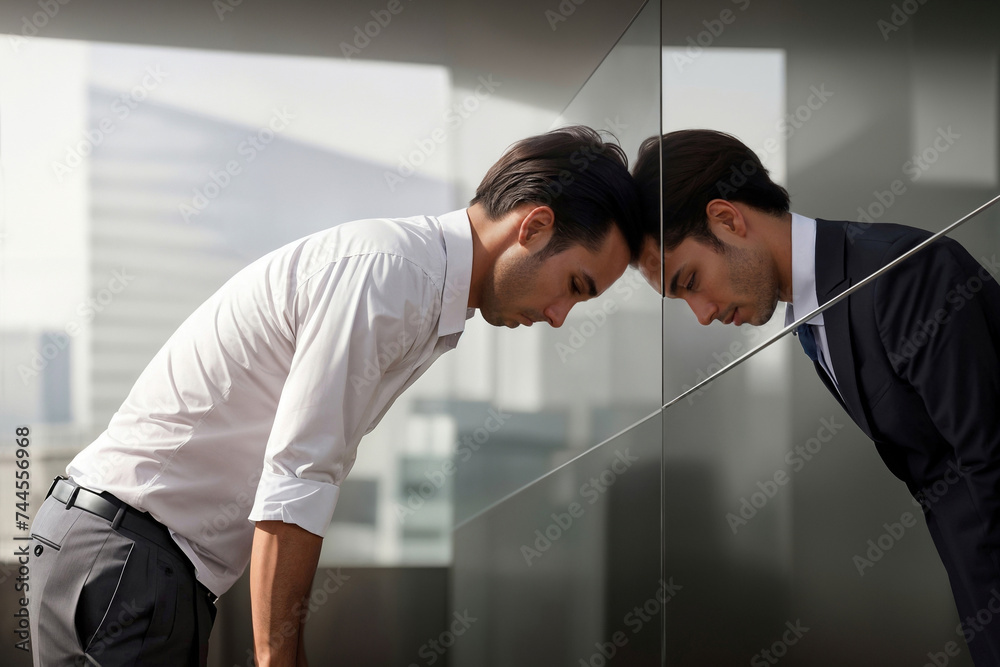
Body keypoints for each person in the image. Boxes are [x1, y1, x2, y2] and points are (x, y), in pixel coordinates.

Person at [28, 125, 644, 667]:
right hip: (131, 561)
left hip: (107, 547)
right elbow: (298, 473)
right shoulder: (394, 277)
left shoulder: (408, 277)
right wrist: (278, 658)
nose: (561, 316)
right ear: (534, 227)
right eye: (575, 286)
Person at [632, 129, 1000, 665]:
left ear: (728, 219)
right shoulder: (814, 319)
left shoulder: (902, 272)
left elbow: (990, 459)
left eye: (691, 280)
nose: (703, 312)